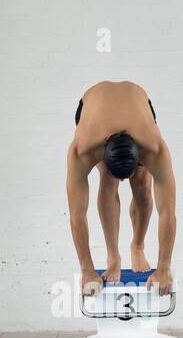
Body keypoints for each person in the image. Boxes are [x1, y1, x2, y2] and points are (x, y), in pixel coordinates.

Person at [66, 80, 176, 295]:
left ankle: (138, 246)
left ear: (141, 155)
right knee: (107, 180)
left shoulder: (155, 148)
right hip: (92, 108)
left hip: (139, 106)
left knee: (143, 183)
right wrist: (87, 270)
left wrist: (164, 268)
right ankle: (113, 256)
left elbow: (168, 212)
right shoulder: (82, 150)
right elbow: (77, 213)